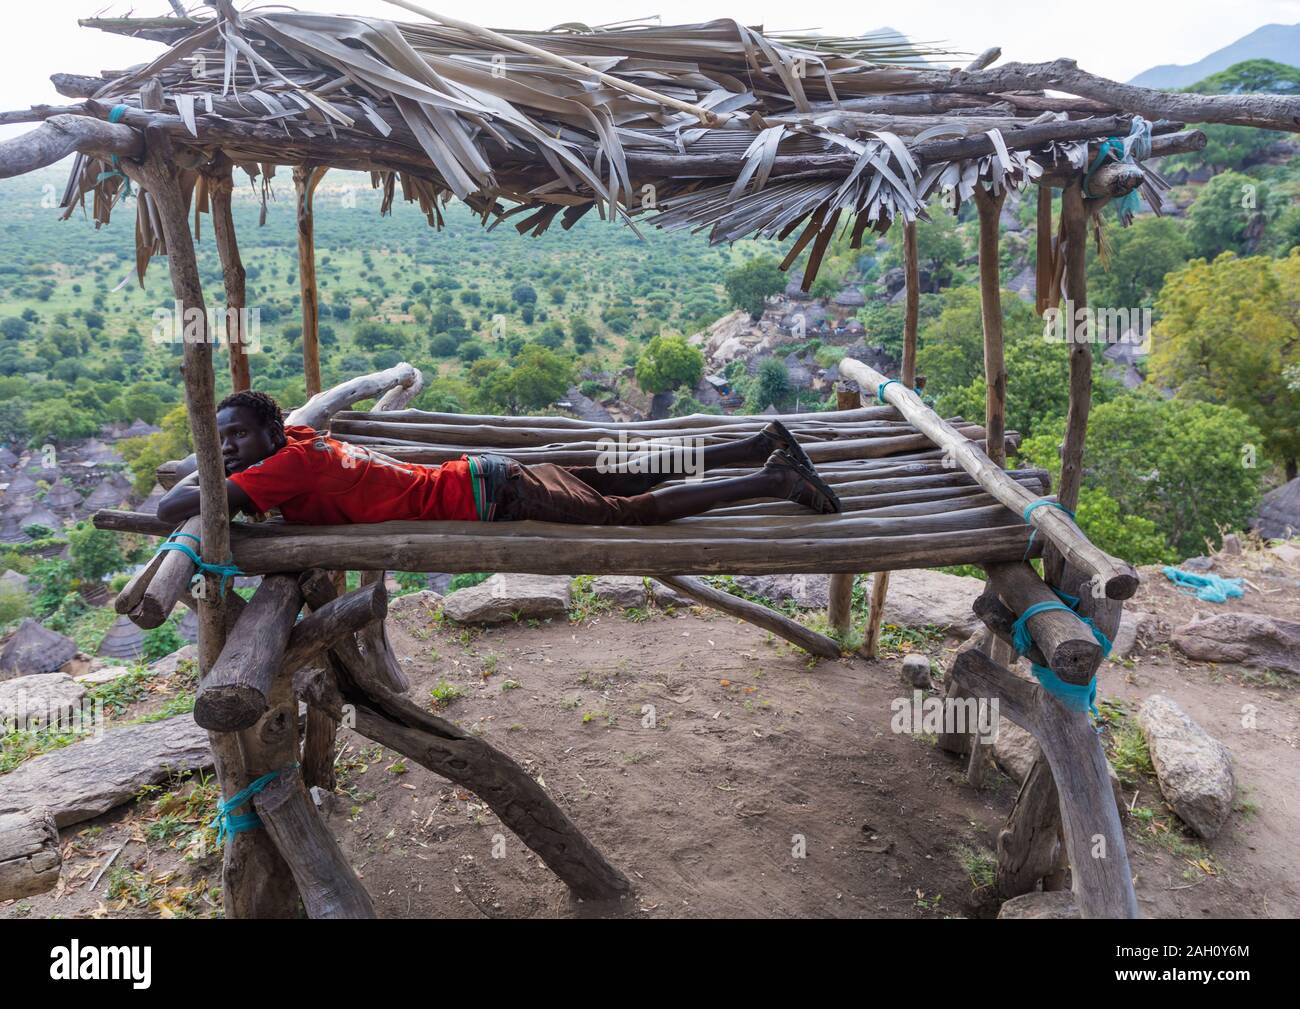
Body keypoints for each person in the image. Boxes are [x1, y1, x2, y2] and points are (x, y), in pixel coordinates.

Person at [156, 390, 841, 527]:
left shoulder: (283, 466)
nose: (228, 452)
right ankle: (752, 445)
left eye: (236, 438)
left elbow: (172, 506)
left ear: (272, 435)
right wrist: (228, 455)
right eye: (221, 442)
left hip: (491, 495)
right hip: (484, 472)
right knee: (626, 471)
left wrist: (214, 471)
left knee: (629, 512)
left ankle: (773, 476)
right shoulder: (301, 440)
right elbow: (269, 446)